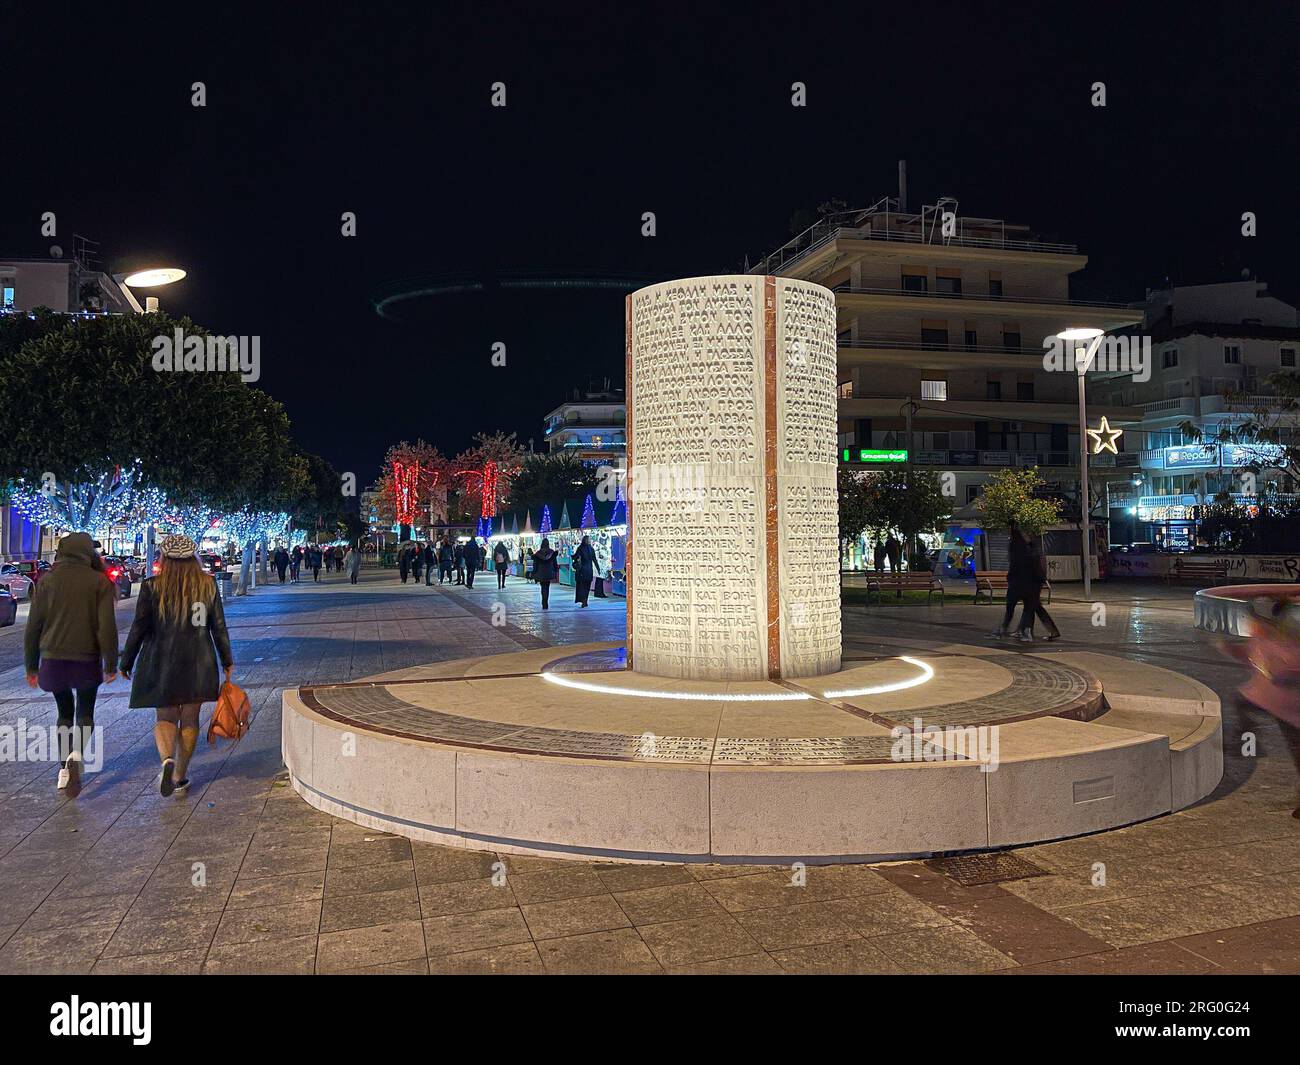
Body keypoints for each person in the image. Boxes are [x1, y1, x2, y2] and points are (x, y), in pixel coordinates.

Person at [120, 534, 234, 797]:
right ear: (193, 558)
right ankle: (180, 775)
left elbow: (139, 627)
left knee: (165, 716)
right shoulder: (207, 585)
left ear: (164, 558)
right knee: (190, 718)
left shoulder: (152, 587)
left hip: (162, 661)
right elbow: (218, 626)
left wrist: (126, 661)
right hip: (198, 661)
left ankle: (166, 760)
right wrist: (226, 660)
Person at [23, 532, 119, 793]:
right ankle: (77, 754)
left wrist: (31, 666)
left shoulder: (47, 581)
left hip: (53, 657)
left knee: (64, 711)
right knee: (85, 712)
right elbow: (106, 628)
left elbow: (33, 627)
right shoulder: (99, 582)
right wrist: (111, 663)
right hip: (86, 658)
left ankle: (64, 767)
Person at [572, 534, 599, 607]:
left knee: (582, 586)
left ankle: (583, 601)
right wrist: (598, 569)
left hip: (581, 570)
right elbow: (594, 559)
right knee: (587, 586)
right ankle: (585, 600)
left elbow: (575, 557)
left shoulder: (580, 548)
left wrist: (572, 556)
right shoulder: (591, 549)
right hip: (589, 570)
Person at [532, 537, 559, 610]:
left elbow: (535, 564)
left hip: (541, 573)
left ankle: (544, 602)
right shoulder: (551, 552)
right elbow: (554, 563)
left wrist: (534, 572)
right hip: (549, 572)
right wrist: (555, 569)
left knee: (543, 587)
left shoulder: (538, 553)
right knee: (547, 587)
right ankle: (546, 602)